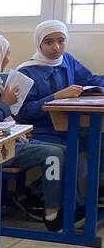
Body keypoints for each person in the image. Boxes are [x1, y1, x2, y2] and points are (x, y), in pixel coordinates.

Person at [13, 19, 104, 232]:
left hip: (68, 129)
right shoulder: (26, 71)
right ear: (39, 43)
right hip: (41, 132)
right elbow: (22, 111)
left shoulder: (68, 61)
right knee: (61, 154)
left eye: (61, 41)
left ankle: (79, 204)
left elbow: (91, 79)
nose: (56, 48)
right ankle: (58, 210)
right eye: (49, 42)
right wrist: (56, 96)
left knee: (96, 143)